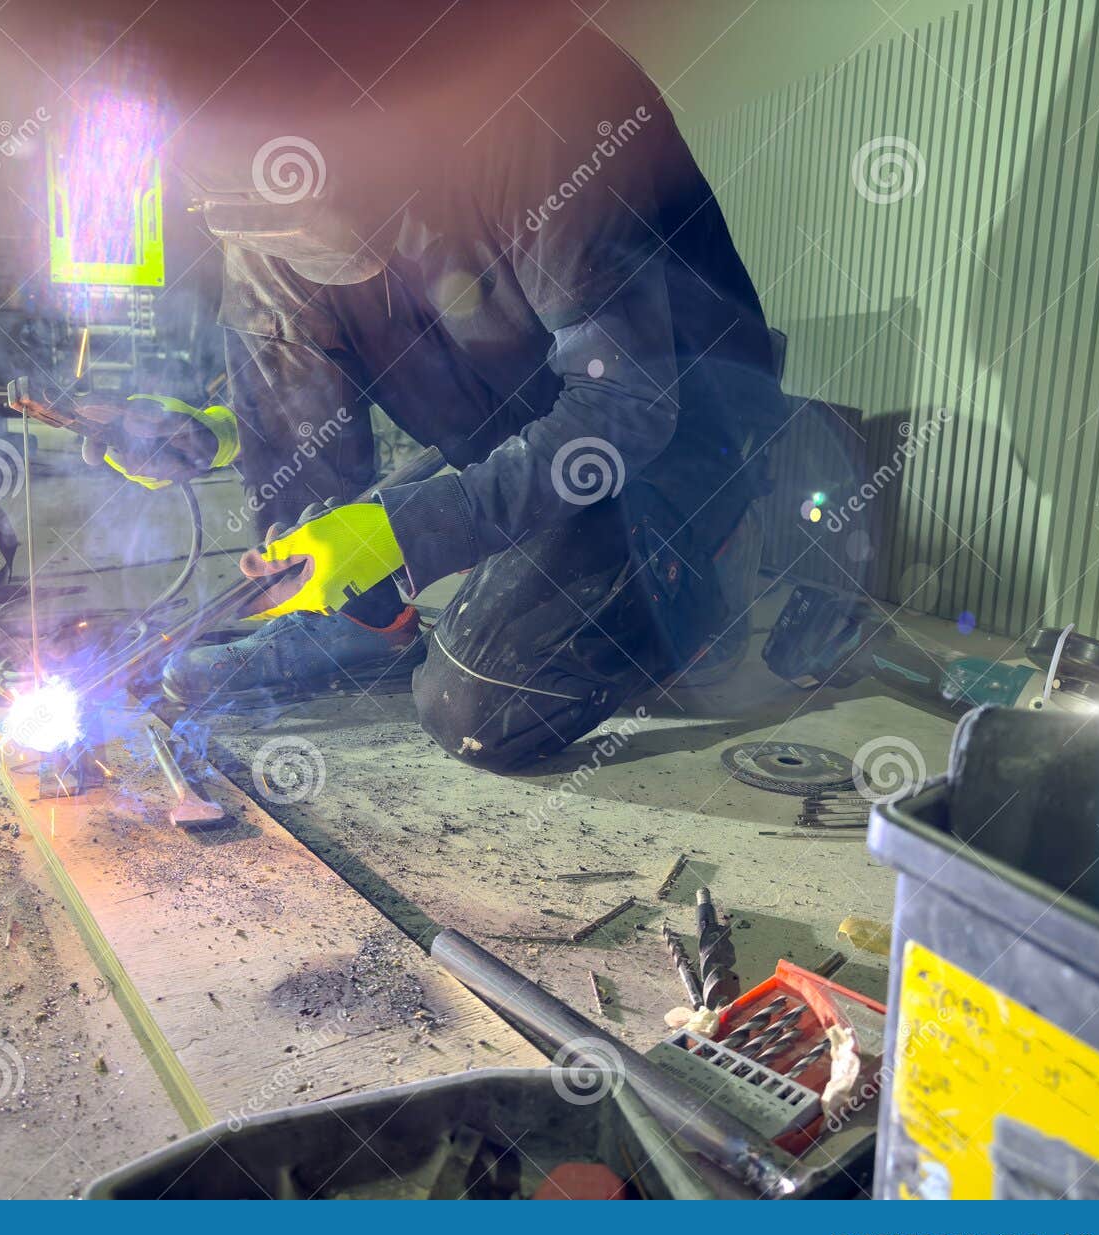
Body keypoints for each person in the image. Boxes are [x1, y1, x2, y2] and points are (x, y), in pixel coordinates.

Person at [80, 2, 786, 772]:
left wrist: (414, 532)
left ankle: (713, 554)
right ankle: (360, 620)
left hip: (674, 428)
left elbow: (626, 404)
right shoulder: (265, 149)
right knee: (267, 274)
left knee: (483, 706)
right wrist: (218, 430)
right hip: (531, 410)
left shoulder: (540, 96)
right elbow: (315, 351)